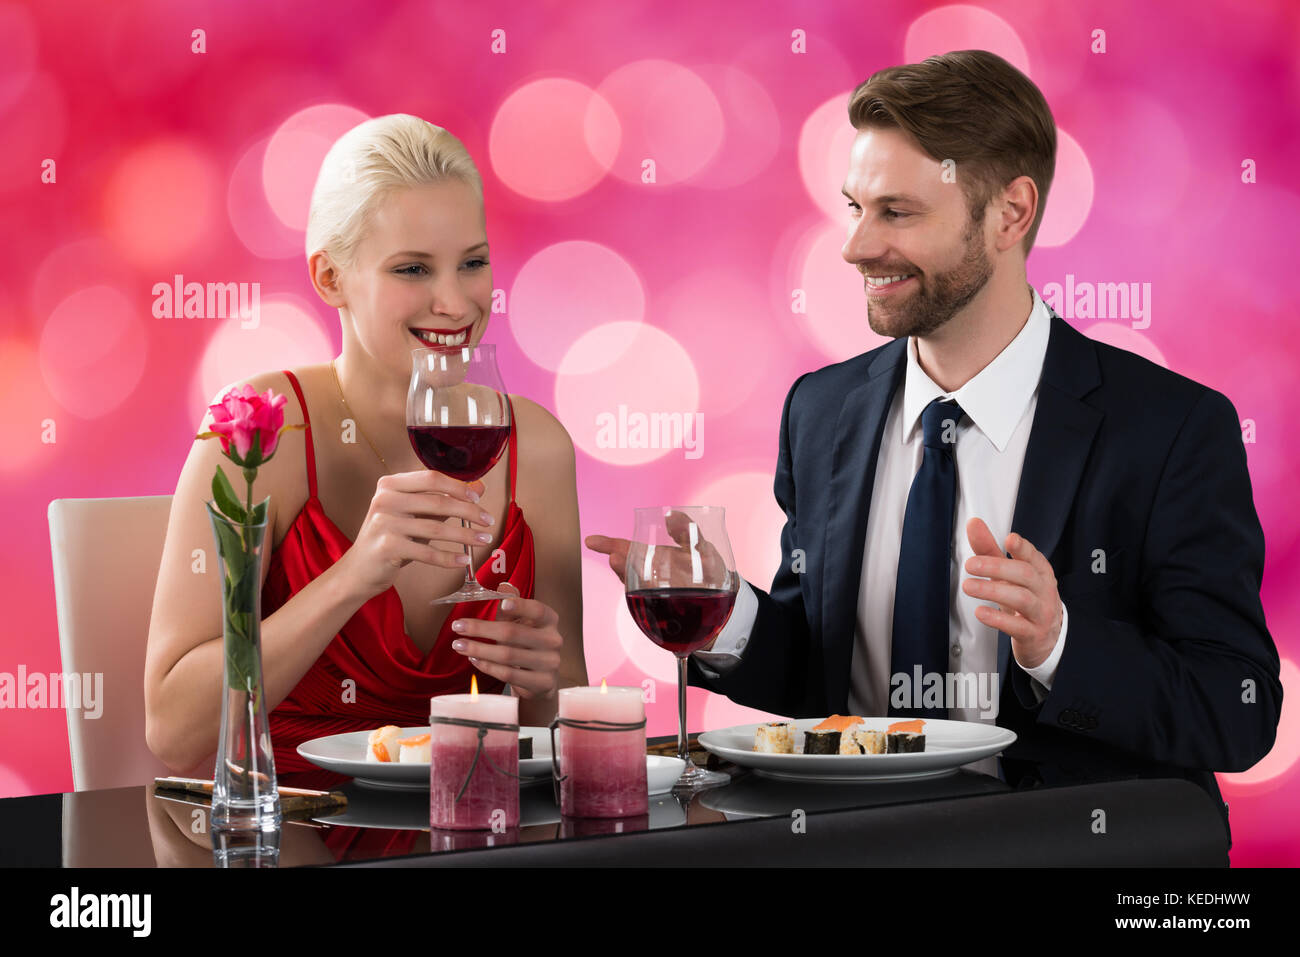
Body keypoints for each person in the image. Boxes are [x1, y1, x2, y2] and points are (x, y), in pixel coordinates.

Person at [587, 50, 1280, 841]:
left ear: (1011, 213)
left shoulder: (1169, 429)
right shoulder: (821, 411)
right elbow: (821, 674)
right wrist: (724, 613)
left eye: (898, 213)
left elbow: (1237, 709)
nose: (855, 246)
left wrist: (1059, 645)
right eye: (854, 207)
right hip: (853, 854)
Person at [147, 115, 587, 777]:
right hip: (288, 831)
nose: (456, 301)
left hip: (468, 832)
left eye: (473, 262)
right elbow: (174, 732)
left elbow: (560, 732)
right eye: (413, 268)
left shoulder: (539, 447)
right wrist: (350, 578)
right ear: (329, 279)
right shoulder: (258, 428)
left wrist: (541, 683)